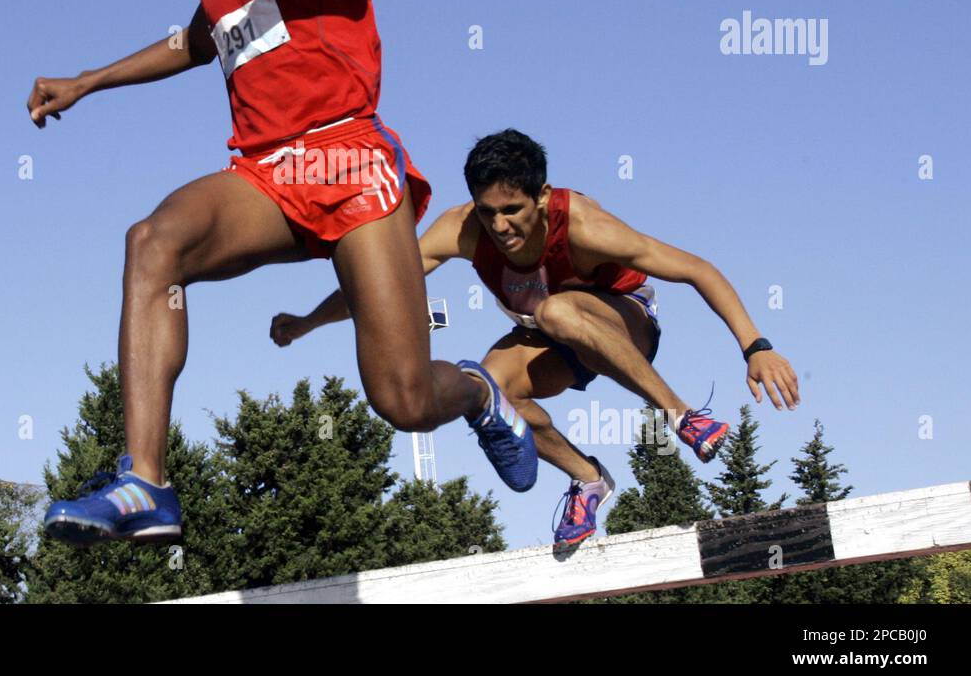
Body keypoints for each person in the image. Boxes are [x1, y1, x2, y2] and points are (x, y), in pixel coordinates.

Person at [27, 0, 535, 544]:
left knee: (400, 399)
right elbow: (193, 43)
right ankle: (145, 482)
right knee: (151, 242)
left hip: (349, 162)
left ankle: (475, 392)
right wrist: (89, 81)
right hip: (267, 175)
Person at [272, 129, 801, 545]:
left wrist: (755, 346)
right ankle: (588, 479)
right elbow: (378, 287)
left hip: (623, 324)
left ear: (541, 197)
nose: (500, 226)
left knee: (557, 309)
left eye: (513, 210)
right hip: (548, 339)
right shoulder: (463, 231)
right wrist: (307, 323)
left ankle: (679, 413)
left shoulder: (585, 225)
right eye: (488, 212)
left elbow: (697, 269)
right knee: (487, 388)